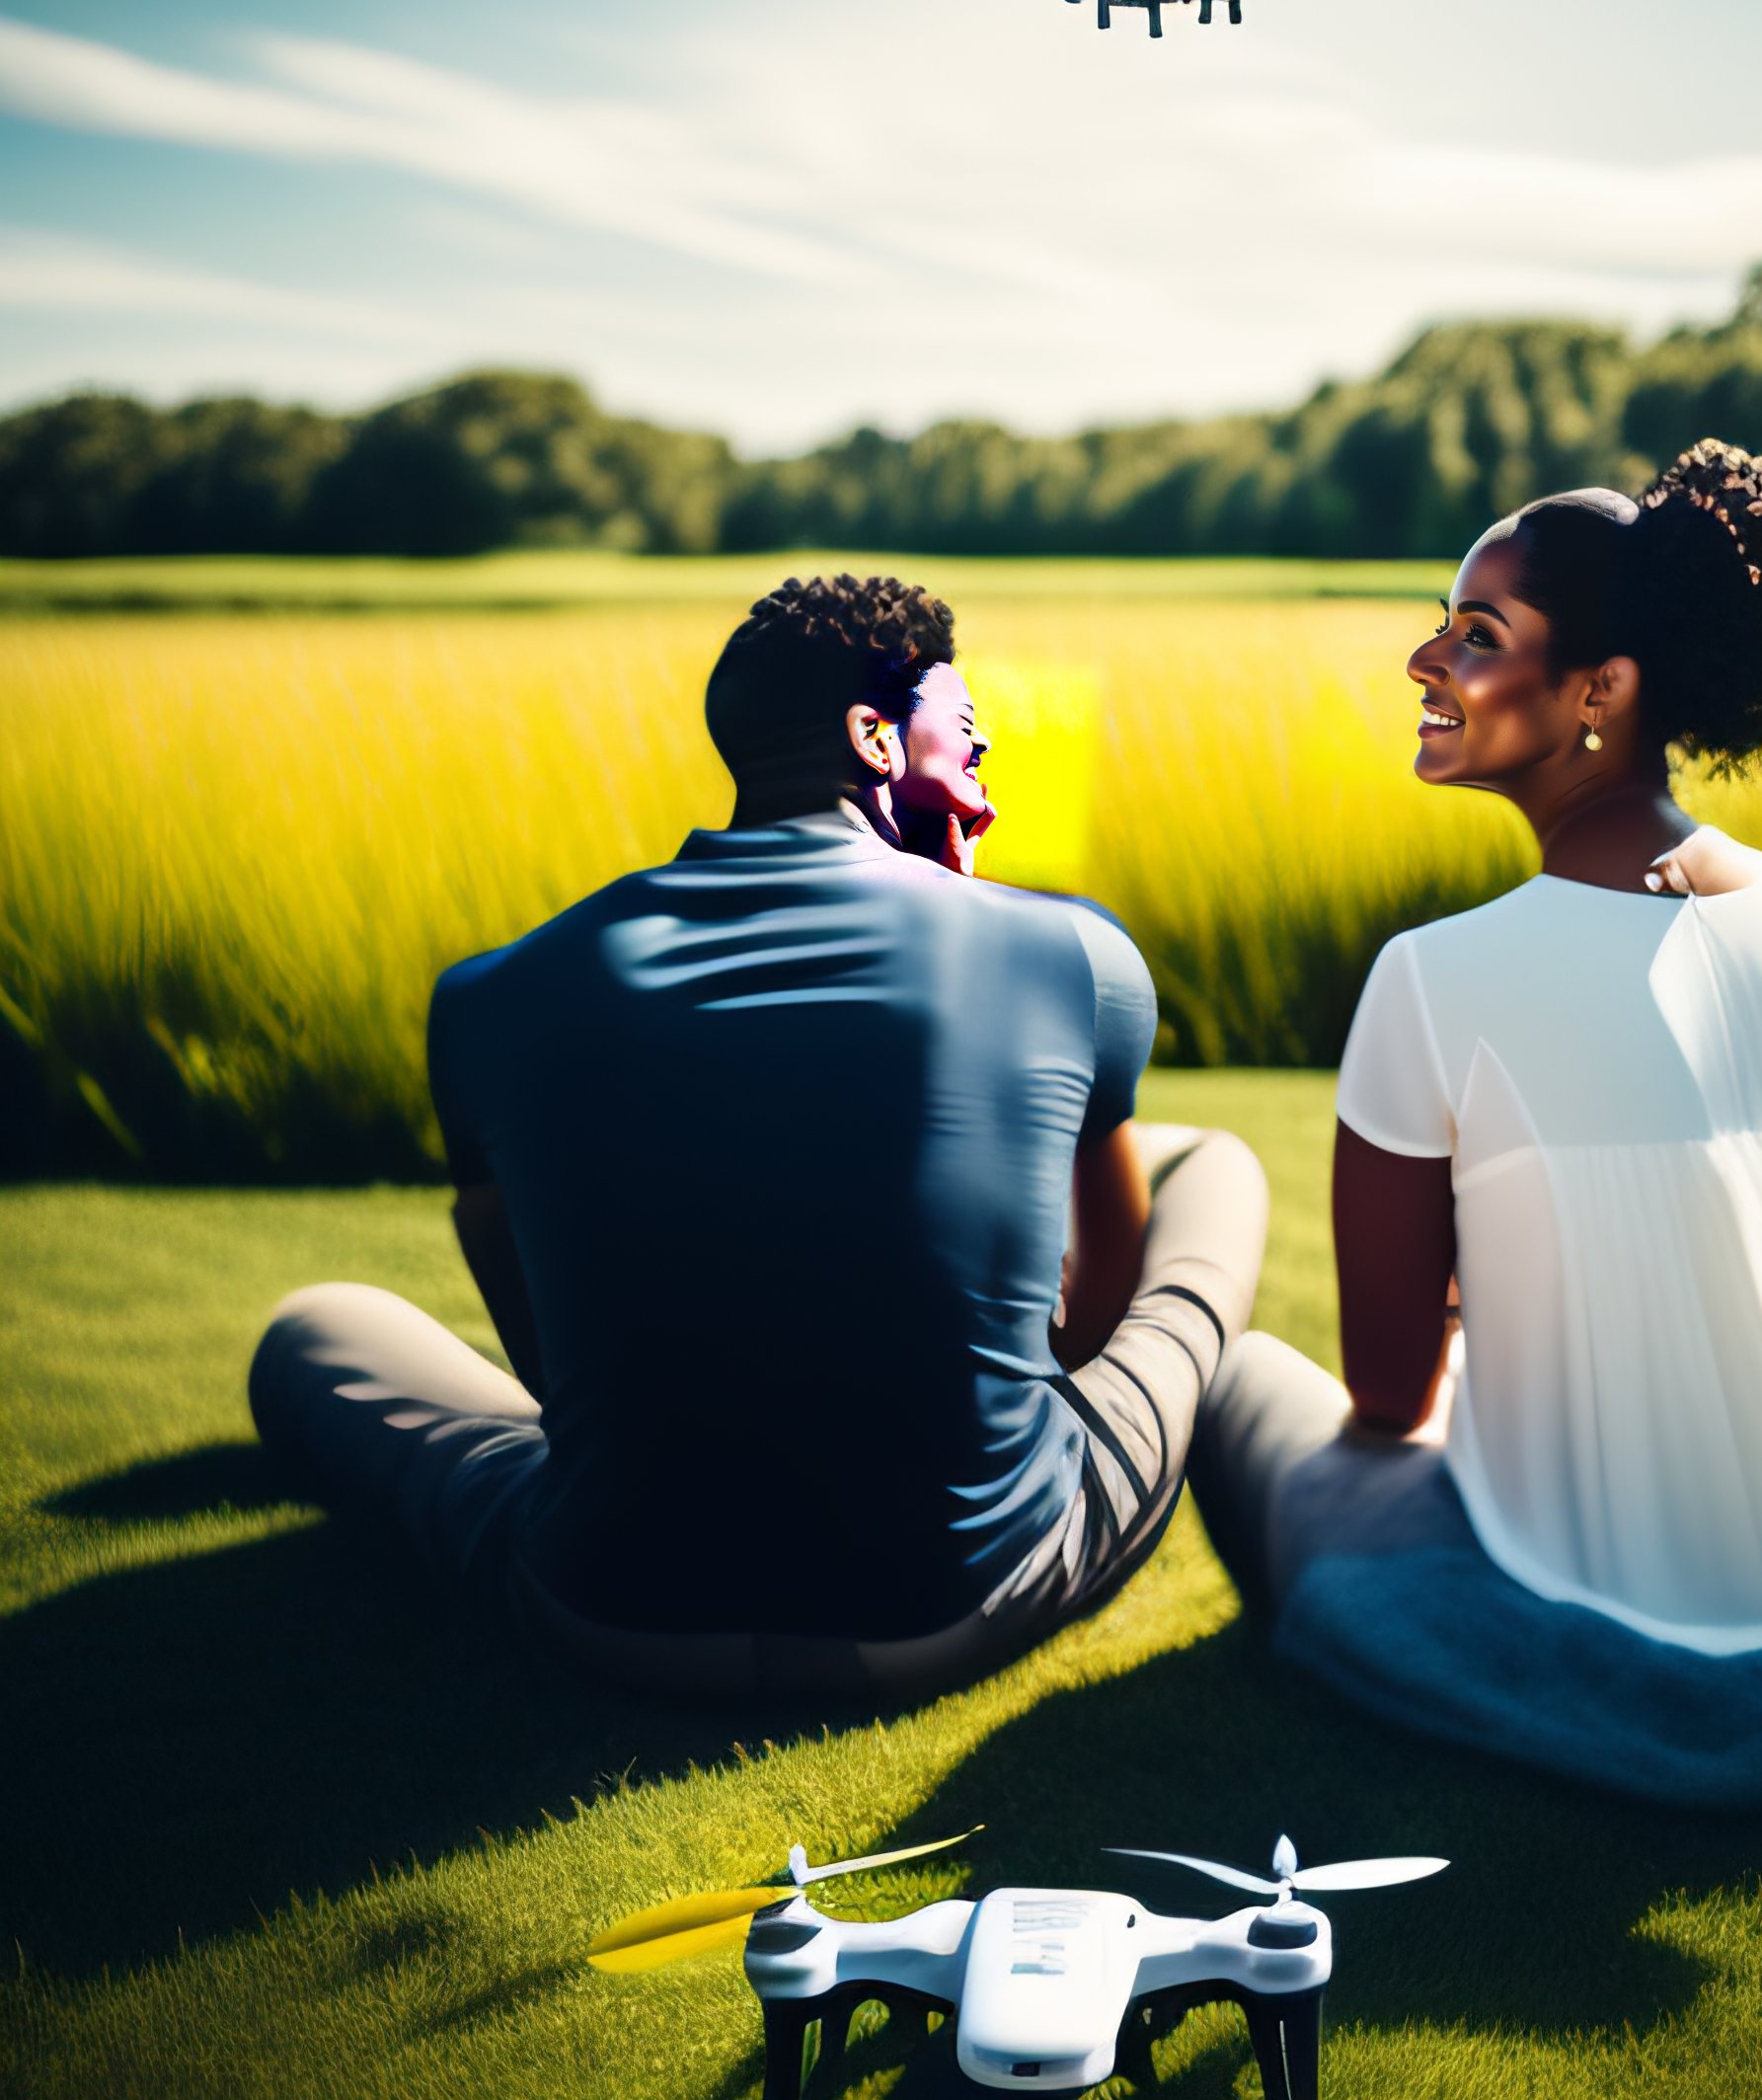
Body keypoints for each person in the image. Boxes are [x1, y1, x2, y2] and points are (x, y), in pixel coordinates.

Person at [250, 572, 1266, 1699]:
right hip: (963, 1600)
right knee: (1215, 1169)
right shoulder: (1073, 953)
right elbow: (1087, 1340)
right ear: (874, 738)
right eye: (967, 729)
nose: (985, 756)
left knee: (314, 1331)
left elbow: (545, 1371)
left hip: (610, 1607)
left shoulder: (487, 997)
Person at [1190, 442, 1762, 1804]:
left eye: (1476, 634)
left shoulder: (1430, 980)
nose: (1422, 661)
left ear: (1602, 691)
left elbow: (1391, 1398)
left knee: (1238, 1386)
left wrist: (1485, 1300)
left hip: (1602, 1588)